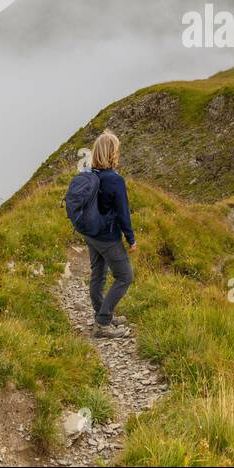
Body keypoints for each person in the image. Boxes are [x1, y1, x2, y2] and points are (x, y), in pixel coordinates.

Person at [85, 131, 135, 338]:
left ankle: (101, 313)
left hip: (90, 234)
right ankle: (103, 322)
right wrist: (131, 239)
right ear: (112, 152)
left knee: (98, 275)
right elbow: (124, 214)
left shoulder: (89, 175)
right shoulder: (115, 180)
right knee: (125, 276)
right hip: (107, 236)